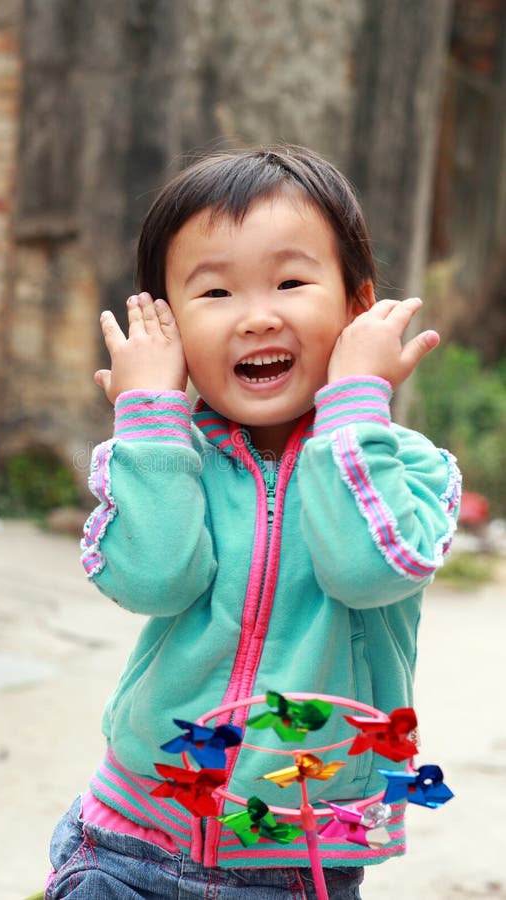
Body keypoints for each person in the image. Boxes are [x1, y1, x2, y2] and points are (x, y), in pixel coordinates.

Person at [43, 146, 460, 900]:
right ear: (166, 329)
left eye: (292, 282)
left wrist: (355, 404)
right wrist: (148, 425)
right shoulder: (170, 458)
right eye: (215, 292)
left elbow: (364, 571)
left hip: (297, 860)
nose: (257, 315)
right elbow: (152, 580)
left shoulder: (410, 468)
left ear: (358, 308)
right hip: (128, 838)